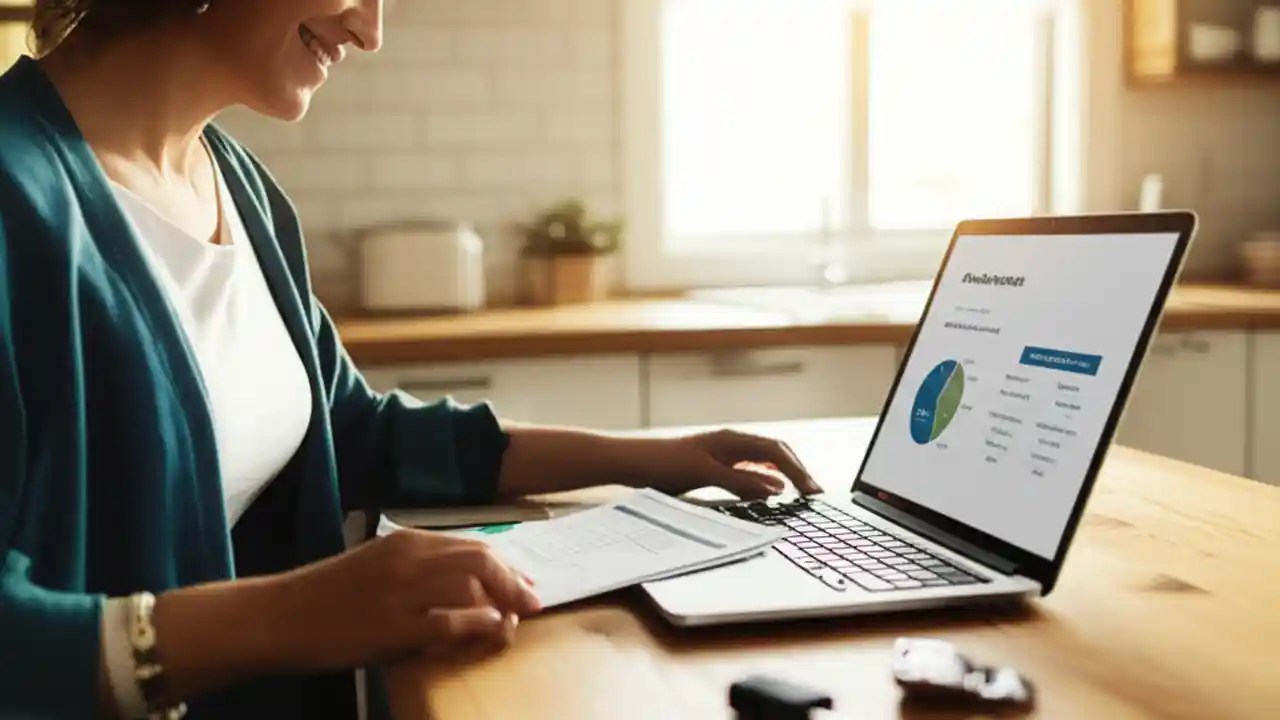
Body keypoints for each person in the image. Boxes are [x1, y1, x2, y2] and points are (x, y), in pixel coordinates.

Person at [0, 0, 820, 717]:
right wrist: (301, 613)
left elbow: (357, 434)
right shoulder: (15, 197)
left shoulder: (235, 183)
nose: (371, 29)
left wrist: (646, 459)